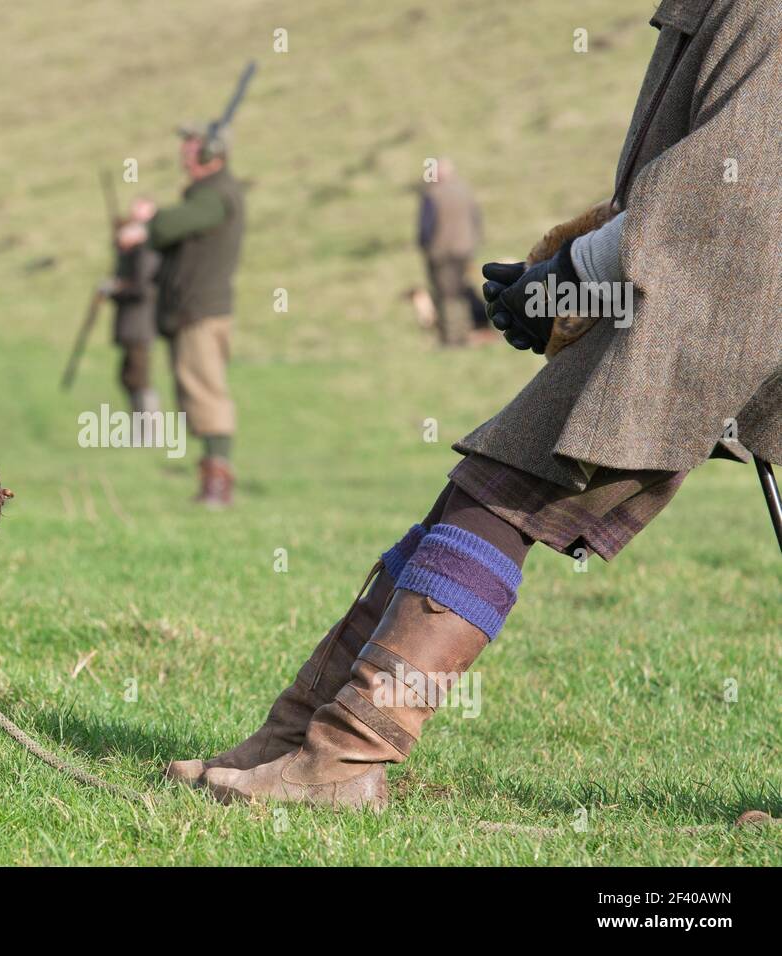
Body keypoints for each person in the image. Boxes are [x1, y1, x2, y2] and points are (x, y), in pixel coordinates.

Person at [167, 0, 782, 807]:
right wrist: (570, 259)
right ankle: (307, 734)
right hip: (719, 295)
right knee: (487, 489)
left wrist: (577, 274)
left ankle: (344, 756)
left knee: (505, 483)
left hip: (729, 302)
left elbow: (731, 195)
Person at [117, 123, 245, 507]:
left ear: (211, 155)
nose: (184, 156)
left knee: (206, 392)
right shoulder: (208, 195)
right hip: (193, 308)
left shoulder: (214, 196)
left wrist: (151, 221)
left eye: (192, 149)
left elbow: (168, 225)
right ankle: (211, 479)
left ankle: (217, 484)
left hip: (199, 310)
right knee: (196, 392)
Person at [105, 197, 162, 425]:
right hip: (134, 325)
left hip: (140, 325)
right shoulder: (134, 255)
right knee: (129, 377)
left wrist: (116, 288)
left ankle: (150, 430)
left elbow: (142, 288)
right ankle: (142, 428)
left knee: (138, 378)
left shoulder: (145, 254)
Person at [417, 159, 482, 347]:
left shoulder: (432, 194)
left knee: (446, 295)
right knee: (463, 290)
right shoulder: (465, 192)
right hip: (465, 249)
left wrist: (425, 246)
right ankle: (465, 333)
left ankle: (451, 338)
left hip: (441, 252)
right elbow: (476, 220)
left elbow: (426, 227)